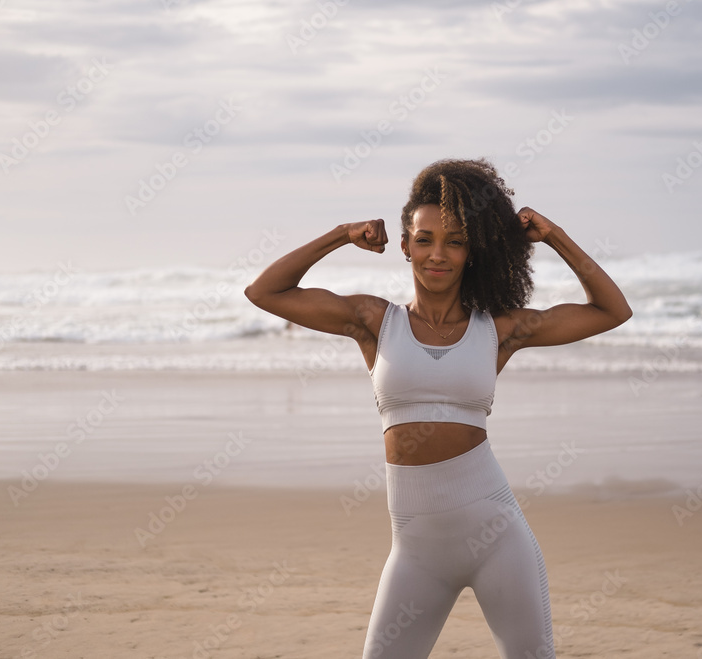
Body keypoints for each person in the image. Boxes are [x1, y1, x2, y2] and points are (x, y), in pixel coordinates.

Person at [244, 158, 632, 658]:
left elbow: (611, 310)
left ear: (472, 250)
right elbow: (264, 292)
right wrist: (342, 234)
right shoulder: (374, 321)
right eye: (424, 239)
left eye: (455, 241)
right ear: (405, 246)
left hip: (498, 540)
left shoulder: (499, 329)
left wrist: (553, 236)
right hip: (416, 555)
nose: (438, 255)